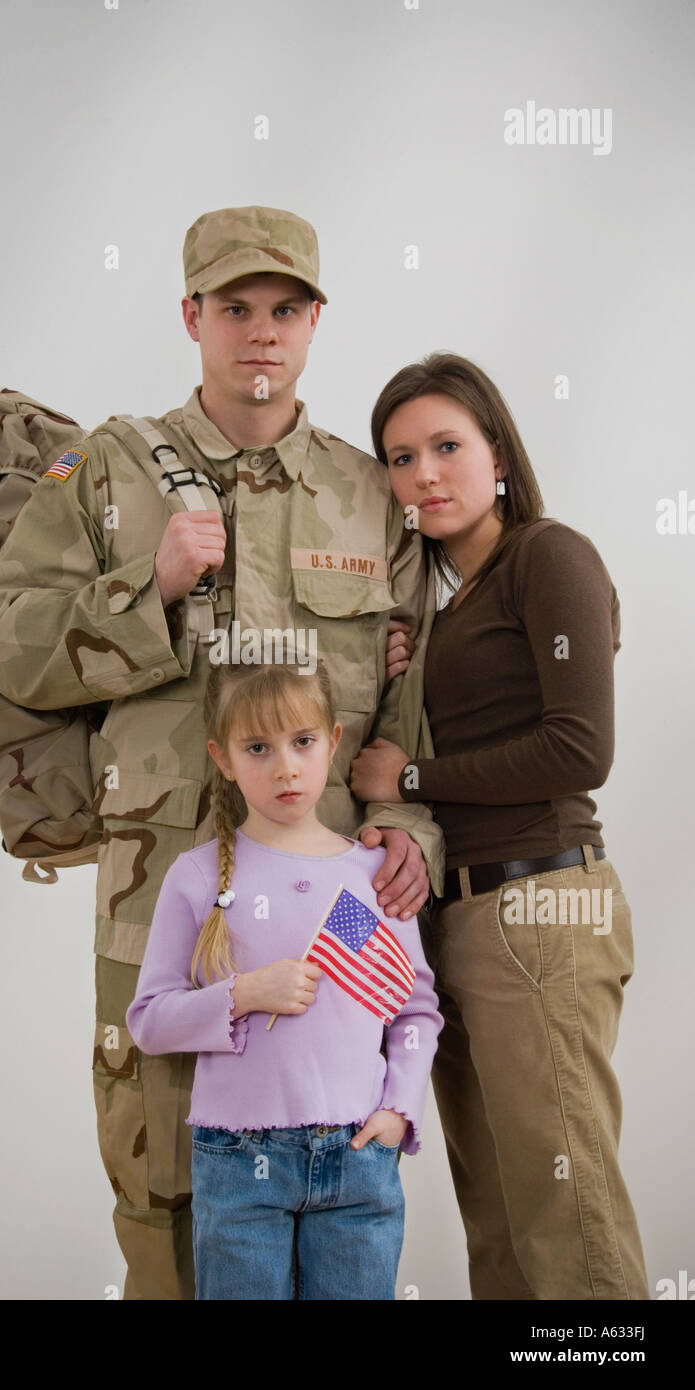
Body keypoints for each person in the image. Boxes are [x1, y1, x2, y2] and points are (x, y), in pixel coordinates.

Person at [0, 206, 444, 1301]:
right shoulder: (108, 471)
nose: (260, 333)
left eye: (285, 309)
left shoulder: (370, 494)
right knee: (158, 1178)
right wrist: (152, 589)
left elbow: (408, 696)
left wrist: (407, 819)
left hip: (332, 902)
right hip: (163, 893)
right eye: (234, 307)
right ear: (191, 315)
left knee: (338, 1173)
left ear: (316, 320)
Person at [349, 351, 650, 1300]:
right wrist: (392, 658)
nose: (424, 475)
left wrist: (412, 772)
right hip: (451, 921)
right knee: (501, 1226)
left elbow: (578, 749)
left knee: (570, 1225)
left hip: (539, 911)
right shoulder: (441, 603)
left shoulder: (547, 555)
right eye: (399, 459)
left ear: (499, 459)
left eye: (446, 446)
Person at [126, 659, 443, 1300]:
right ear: (222, 757)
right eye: (257, 748)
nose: (285, 767)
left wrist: (397, 1110)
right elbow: (149, 1020)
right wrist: (244, 994)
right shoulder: (196, 877)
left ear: (334, 739)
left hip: (359, 1155)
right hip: (241, 1164)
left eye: (302, 742)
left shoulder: (372, 873)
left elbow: (414, 1010)